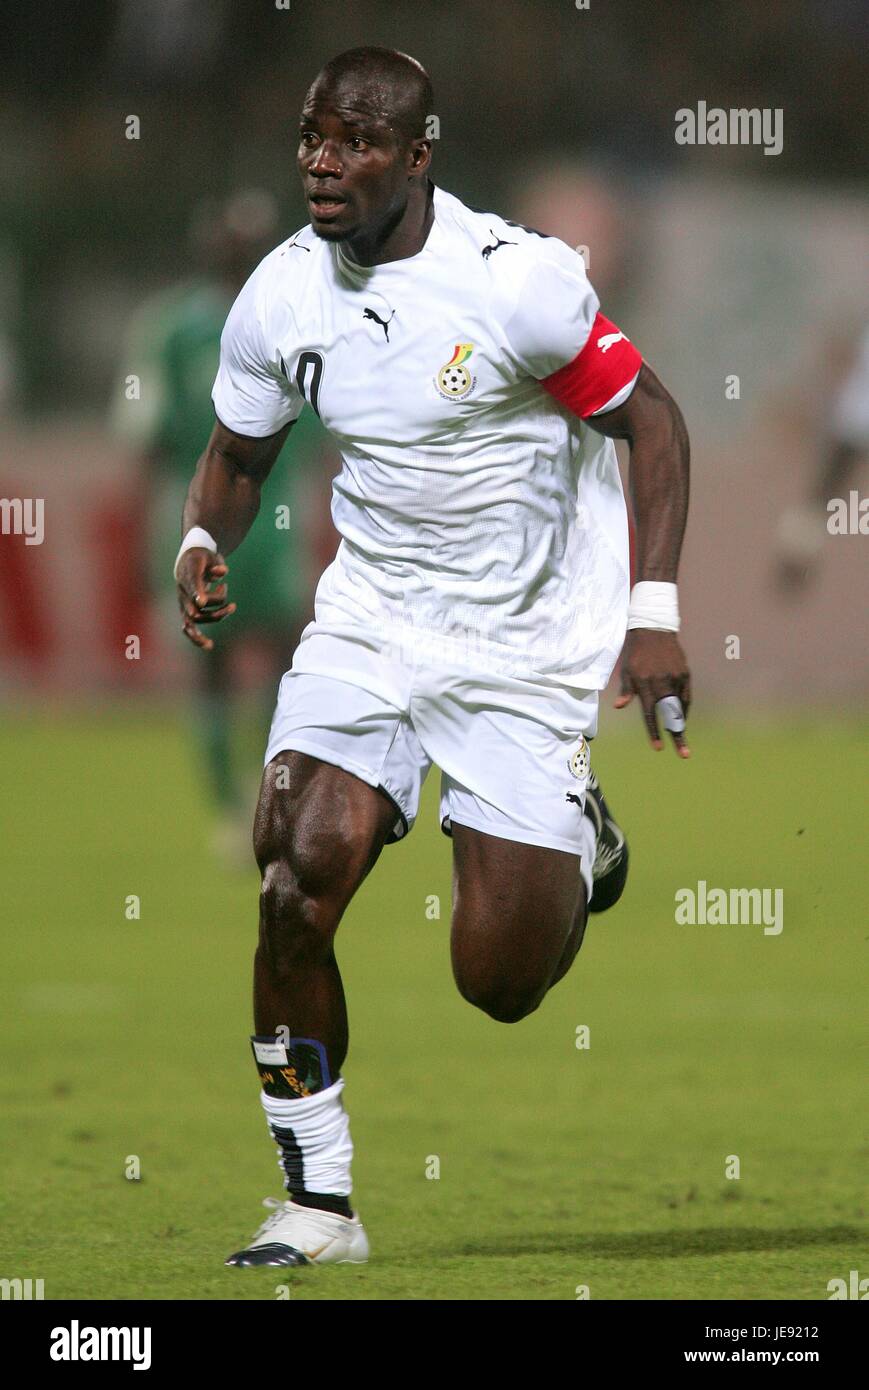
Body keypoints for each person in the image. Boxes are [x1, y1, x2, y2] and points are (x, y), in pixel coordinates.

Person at [173, 47, 691, 1268]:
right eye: (310, 135)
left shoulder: (515, 287)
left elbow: (650, 417)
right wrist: (205, 533)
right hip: (370, 622)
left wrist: (652, 606)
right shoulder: (283, 294)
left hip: (518, 643)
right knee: (294, 871)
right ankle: (318, 1202)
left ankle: (582, 833)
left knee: (499, 980)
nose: (321, 161)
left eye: (354, 141)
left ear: (415, 159)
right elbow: (239, 453)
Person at [113, 191, 336, 862]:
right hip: (213, 516)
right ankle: (238, 808)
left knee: (276, 660)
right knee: (232, 663)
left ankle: (253, 805)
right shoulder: (177, 328)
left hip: (245, 519)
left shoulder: (284, 320)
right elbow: (145, 438)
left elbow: (144, 436)